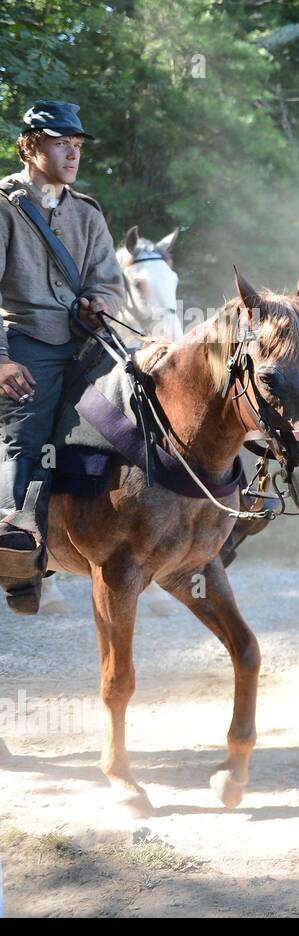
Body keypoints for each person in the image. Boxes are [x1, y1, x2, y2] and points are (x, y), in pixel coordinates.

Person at [0, 100, 124, 613]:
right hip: (27, 342)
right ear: (29, 147)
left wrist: (102, 304)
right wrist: (2, 362)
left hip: (89, 343)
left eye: (76, 144)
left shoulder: (88, 213)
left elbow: (109, 283)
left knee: (140, 406)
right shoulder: (4, 207)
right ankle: (16, 547)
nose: (72, 152)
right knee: (27, 428)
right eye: (59, 142)